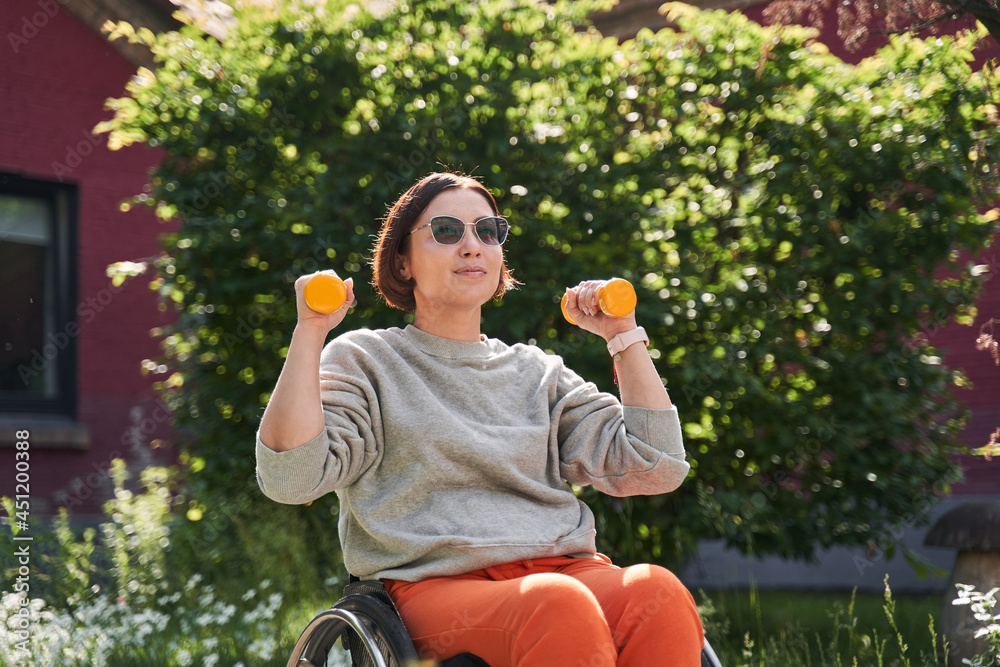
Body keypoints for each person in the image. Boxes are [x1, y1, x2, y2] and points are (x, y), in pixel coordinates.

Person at [255, 171, 704, 666]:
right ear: (403, 262)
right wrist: (310, 331)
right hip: (434, 587)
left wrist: (623, 334)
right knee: (556, 603)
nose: (472, 246)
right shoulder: (368, 360)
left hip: (562, 571)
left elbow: (656, 465)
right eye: (446, 232)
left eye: (487, 231)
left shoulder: (538, 372)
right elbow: (291, 478)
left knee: (655, 592)